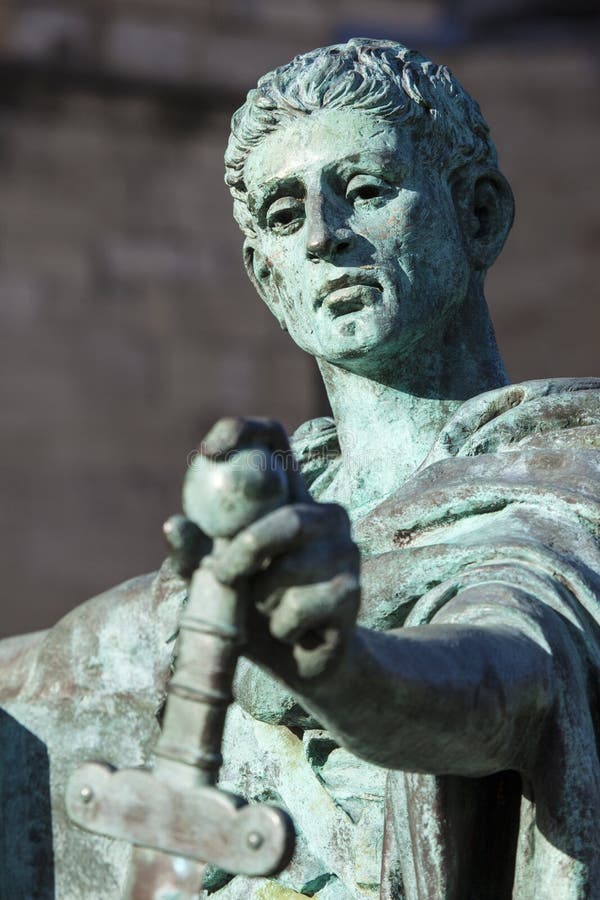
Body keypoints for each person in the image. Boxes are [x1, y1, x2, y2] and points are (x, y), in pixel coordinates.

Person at [1, 39, 599, 899]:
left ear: (478, 215)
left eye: (366, 191)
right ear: (266, 278)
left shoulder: (561, 481)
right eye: (285, 216)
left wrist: (344, 669)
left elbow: (511, 675)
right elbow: (54, 672)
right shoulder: (255, 534)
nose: (324, 237)